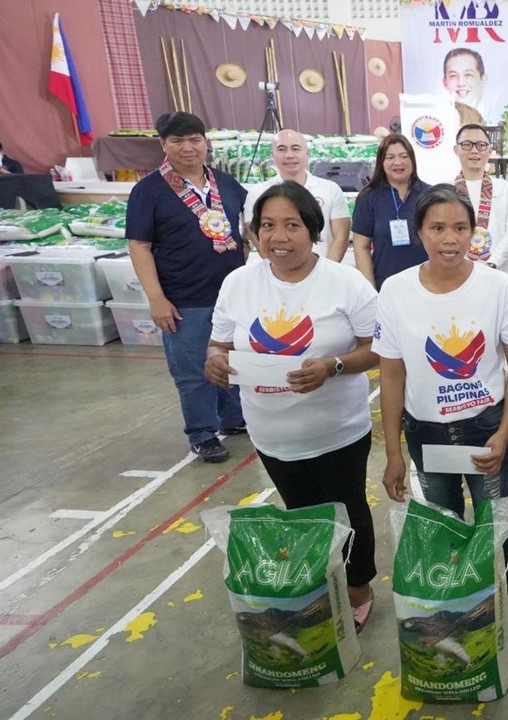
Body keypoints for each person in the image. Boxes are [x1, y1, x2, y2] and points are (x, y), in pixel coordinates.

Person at [204, 182, 378, 630]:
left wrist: (333, 366)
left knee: (348, 510)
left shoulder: (344, 283)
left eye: (290, 225)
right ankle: (322, 582)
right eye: (267, 226)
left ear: (312, 230)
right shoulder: (239, 282)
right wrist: (215, 363)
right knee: (303, 515)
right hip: (271, 433)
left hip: (337, 430)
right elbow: (218, 344)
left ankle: (359, 588)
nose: (278, 237)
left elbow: (379, 349)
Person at [375, 185, 508, 569]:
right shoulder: (395, 290)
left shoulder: (499, 286)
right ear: (419, 232)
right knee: (444, 528)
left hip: (485, 430)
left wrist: (504, 432)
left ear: (473, 231)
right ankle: (459, 604)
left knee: (494, 527)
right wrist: (394, 452)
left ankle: (496, 605)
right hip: (427, 434)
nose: (450, 239)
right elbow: (391, 375)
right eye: (437, 228)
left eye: (460, 228)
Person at [125, 111, 247, 463]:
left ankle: (234, 418)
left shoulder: (224, 183)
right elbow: (139, 246)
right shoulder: (148, 191)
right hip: (184, 298)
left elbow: (245, 228)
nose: (188, 147)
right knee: (193, 371)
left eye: (195, 139)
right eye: (177, 140)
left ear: (206, 143)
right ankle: (202, 433)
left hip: (231, 295)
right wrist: (156, 298)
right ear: (164, 145)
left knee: (231, 360)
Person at [244, 130, 351, 265]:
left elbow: (341, 237)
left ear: (307, 153)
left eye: (295, 149)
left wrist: (325, 270)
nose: (289, 155)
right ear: (273, 155)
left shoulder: (330, 189)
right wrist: (280, 269)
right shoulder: (256, 193)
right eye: (282, 149)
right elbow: (256, 238)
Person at [351, 133, 429, 290]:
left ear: (412, 160)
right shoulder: (369, 197)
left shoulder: (429, 195)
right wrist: (370, 291)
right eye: (390, 157)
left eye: (403, 156)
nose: (397, 162)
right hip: (385, 285)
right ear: (381, 162)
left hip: (428, 283)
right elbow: (361, 246)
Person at [454, 124, 508, 271]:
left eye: (481, 145)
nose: (474, 150)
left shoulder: (504, 188)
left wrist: (493, 263)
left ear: (489, 151)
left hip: (497, 270)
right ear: (456, 150)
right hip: (457, 271)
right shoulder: (446, 188)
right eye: (467, 145)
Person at [443, 48, 486, 123]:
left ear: (482, 79)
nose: (461, 83)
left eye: (468, 74)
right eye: (453, 76)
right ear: (445, 82)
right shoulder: (438, 119)